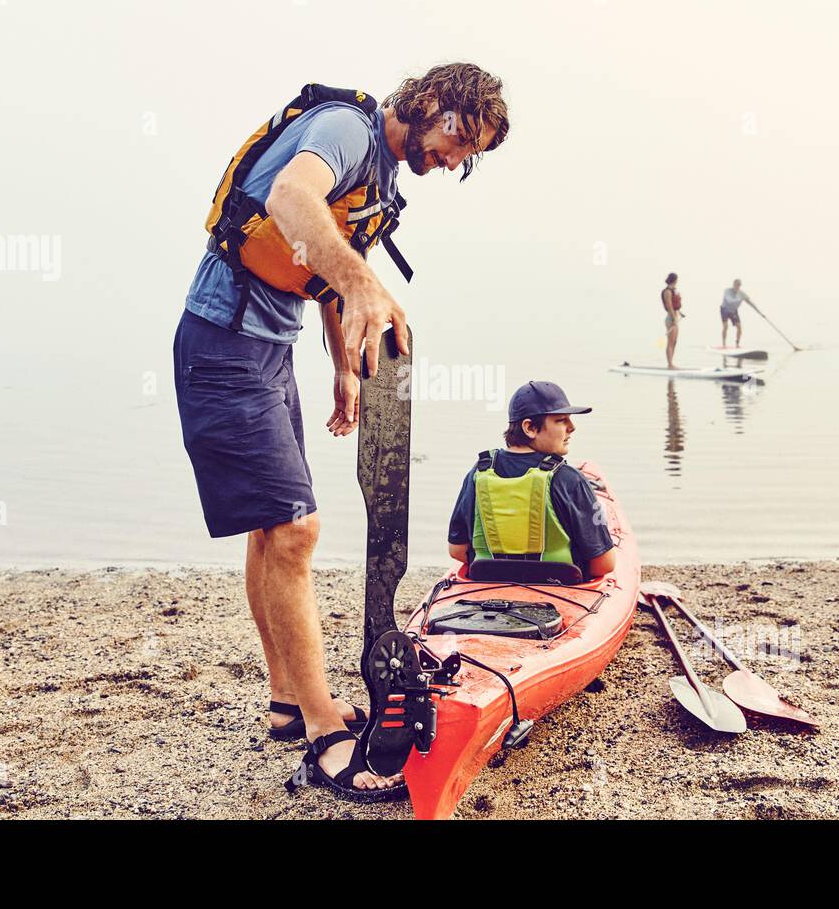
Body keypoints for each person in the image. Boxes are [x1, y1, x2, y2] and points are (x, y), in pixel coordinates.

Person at [173, 64, 509, 802]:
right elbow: (290, 199)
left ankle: (288, 701)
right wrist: (362, 286)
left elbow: (324, 264)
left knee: (272, 533)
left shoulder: (382, 179)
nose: (455, 159)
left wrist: (346, 368)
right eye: (459, 136)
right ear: (428, 102)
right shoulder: (345, 131)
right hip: (222, 345)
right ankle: (327, 729)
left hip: (262, 347)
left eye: (468, 155)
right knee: (296, 533)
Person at [447, 381, 616, 579]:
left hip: (489, 583)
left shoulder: (479, 472)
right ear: (530, 428)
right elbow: (604, 564)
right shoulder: (569, 479)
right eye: (561, 420)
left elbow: (457, 550)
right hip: (559, 589)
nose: (572, 427)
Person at [720, 278, 757, 348]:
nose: (737, 287)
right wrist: (740, 299)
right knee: (725, 326)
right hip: (724, 309)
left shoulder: (742, 293)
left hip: (733, 311)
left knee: (739, 327)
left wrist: (760, 313)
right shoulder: (727, 291)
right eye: (736, 285)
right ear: (733, 284)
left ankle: (737, 344)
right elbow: (729, 301)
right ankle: (724, 344)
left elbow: (751, 303)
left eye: (739, 285)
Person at [662, 273, 683, 369]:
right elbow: (669, 306)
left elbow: (675, 305)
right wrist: (674, 318)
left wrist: (679, 313)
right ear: (674, 280)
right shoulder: (667, 292)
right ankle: (670, 364)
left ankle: (671, 363)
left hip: (675, 317)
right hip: (671, 319)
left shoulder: (674, 291)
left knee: (674, 342)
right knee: (670, 342)